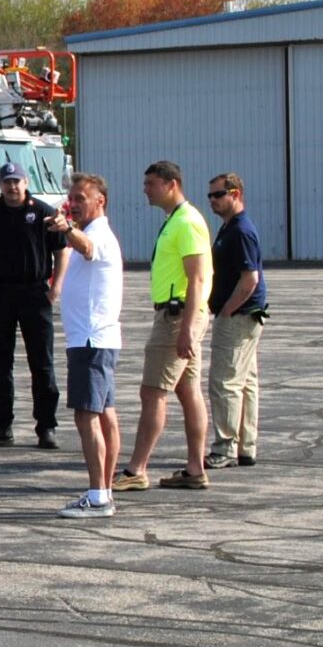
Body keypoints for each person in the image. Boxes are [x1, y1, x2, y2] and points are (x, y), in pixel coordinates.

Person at [115, 160, 213, 491]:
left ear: (172, 184)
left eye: (151, 183)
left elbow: (196, 278)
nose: (145, 189)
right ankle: (195, 468)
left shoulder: (186, 222)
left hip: (177, 316)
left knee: (153, 392)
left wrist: (186, 327)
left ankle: (136, 469)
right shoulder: (176, 220)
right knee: (187, 390)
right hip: (180, 315)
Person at [0, 161, 70, 449]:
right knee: (0, 365)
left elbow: (62, 252)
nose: (12, 187)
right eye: (6, 182)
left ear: (26, 183)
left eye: (16, 181)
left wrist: (56, 289)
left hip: (35, 293)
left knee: (43, 364)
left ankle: (46, 426)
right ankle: (1, 427)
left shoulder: (43, 213)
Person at [50, 174, 124, 518]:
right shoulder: (90, 232)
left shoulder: (99, 236)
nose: (74, 203)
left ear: (100, 201)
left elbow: (86, 248)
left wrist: (66, 228)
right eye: (71, 198)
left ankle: (98, 496)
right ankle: (104, 490)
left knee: (87, 416)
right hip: (94, 340)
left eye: (81, 198)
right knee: (105, 415)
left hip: (91, 340)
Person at [204, 173, 268, 470]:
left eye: (219, 194)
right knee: (245, 382)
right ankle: (246, 445)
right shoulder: (229, 228)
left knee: (225, 381)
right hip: (245, 313)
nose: (213, 201)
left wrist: (227, 309)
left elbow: (249, 279)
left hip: (240, 314)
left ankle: (225, 446)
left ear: (236, 193)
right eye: (211, 196)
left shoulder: (240, 230)